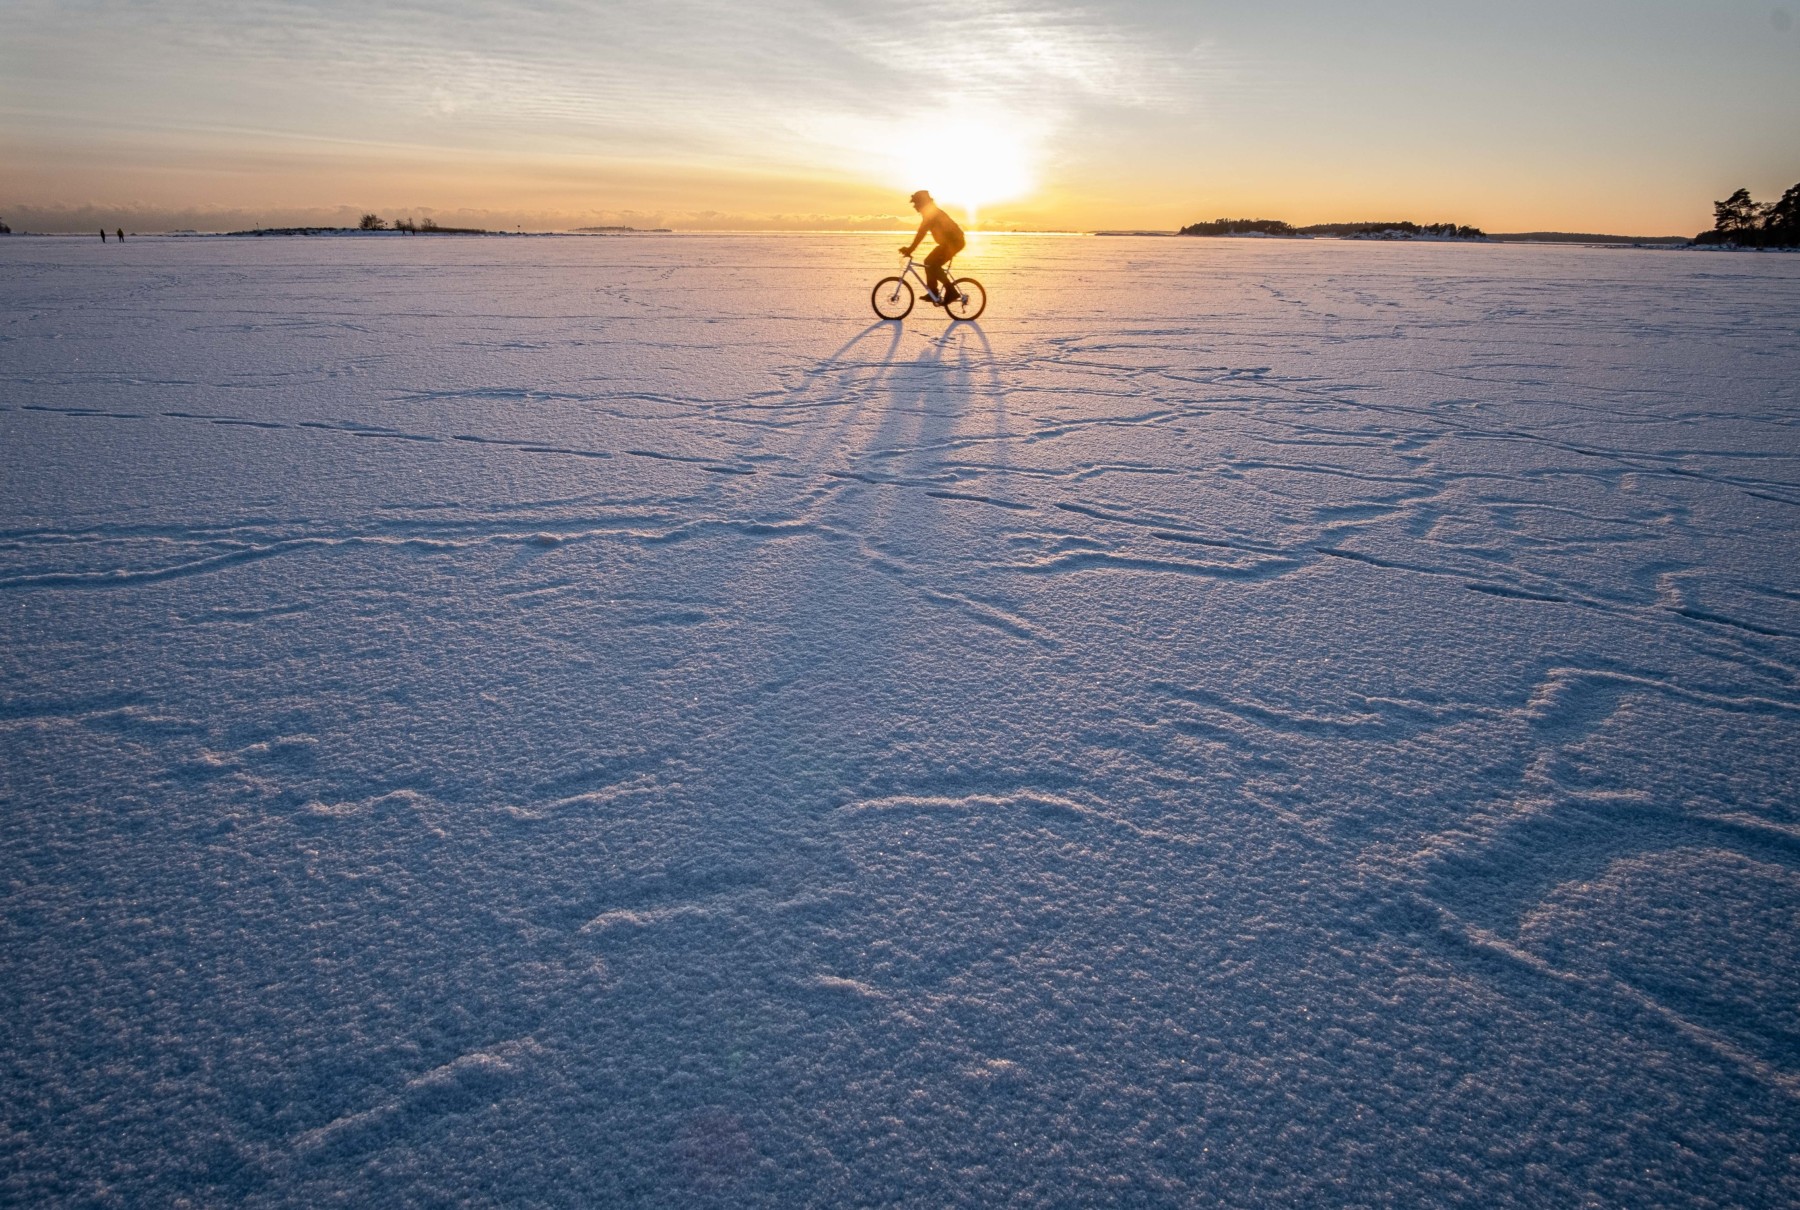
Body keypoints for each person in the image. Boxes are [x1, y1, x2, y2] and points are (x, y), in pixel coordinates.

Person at [899, 190, 965, 306]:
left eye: (916, 203)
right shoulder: (930, 213)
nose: (914, 206)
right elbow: (921, 232)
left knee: (933, 265)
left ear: (922, 203)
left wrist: (910, 249)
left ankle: (951, 291)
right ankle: (933, 292)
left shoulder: (932, 214)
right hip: (947, 244)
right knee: (928, 262)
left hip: (954, 243)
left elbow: (921, 233)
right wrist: (910, 249)